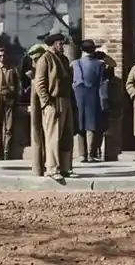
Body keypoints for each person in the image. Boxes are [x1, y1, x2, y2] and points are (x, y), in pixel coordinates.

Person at [31, 33, 73, 180]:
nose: (62, 46)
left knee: (66, 135)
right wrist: (47, 101)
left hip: (66, 100)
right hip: (53, 101)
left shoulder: (64, 59)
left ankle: (65, 167)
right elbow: (39, 83)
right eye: (60, 43)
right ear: (54, 44)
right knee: (53, 136)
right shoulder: (45, 59)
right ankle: (52, 169)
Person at [72, 39, 109, 163]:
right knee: (91, 125)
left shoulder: (76, 63)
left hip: (78, 95)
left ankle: (82, 154)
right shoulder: (100, 64)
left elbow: (75, 82)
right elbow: (103, 83)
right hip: (94, 95)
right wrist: (104, 100)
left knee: (80, 125)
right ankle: (90, 154)